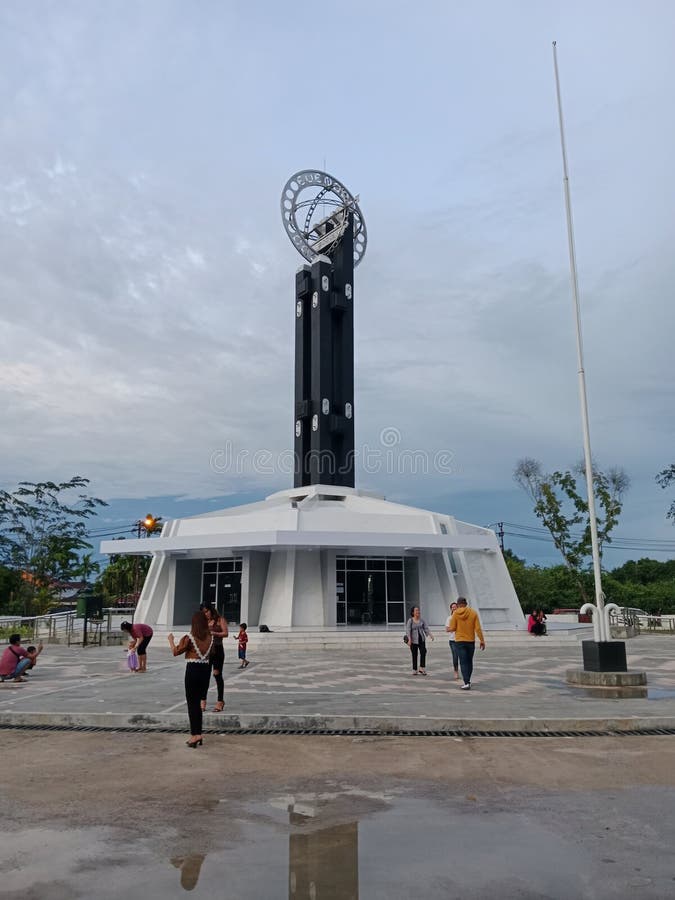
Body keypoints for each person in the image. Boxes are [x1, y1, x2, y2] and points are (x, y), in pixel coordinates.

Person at [168, 610, 213, 748]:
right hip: (205, 670)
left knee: (192, 703)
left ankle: (195, 735)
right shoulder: (210, 637)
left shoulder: (189, 638)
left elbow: (175, 651)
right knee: (198, 703)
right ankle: (198, 732)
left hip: (193, 669)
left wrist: (171, 640)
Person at [448, 597, 485, 690]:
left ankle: (466, 682)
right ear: (466, 604)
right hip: (470, 641)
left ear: (458, 604)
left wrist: (449, 629)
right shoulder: (473, 613)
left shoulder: (455, 614)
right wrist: (482, 640)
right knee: (469, 661)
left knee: (463, 662)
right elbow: (478, 629)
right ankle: (468, 680)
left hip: (459, 641)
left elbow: (452, 628)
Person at [203, 605, 228, 712]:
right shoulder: (203, 621)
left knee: (217, 674)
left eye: (207, 611)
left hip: (217, 650)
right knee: (205, 676)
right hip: (207, 651)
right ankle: (202, 700)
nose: (206, 614)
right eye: (203, 612)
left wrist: (215, 633)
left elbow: (226, 633)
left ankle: (220, 701)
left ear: (211, 610)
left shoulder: (220, 620)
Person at [405, 606, 434, 675]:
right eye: (416, 610)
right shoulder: (410, 620)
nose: (418, 612)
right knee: (414, 654)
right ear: (413, 612)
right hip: (413, 640)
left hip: (421, 639)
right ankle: (414, 669)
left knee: (423, 652)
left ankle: (422, 668)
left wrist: (430, 635)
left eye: (418, 610)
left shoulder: (422, 620)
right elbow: (408, 630)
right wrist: (409, 639)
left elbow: (426, 628)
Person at [445, 601, 460, 680]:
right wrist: (454, 628)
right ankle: (456, 671)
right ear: (451, 609)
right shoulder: (449, 618)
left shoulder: (461, 617)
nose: (454, 608)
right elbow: (447, 629)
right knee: (455, 656)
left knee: (462, 656)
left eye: (455, 607)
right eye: (453, 607)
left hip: (461, 639)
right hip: (453, 640)